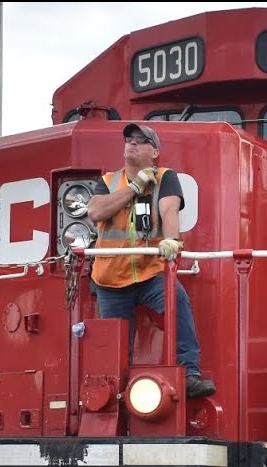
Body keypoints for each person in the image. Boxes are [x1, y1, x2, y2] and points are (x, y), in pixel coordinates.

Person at [86, 123, 216, 398]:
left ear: (154, 151)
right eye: (129, 140)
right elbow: (96, 211)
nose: (132, 144)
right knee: (115, 344)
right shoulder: (108, 181)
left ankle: (189, 373)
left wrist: (171, 240)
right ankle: (116, 393)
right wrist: (134, 187)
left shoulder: (166, 177)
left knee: (178, 303)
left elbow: (169, 211)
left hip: (150, 271)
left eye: (141, 141)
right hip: (109, 277)